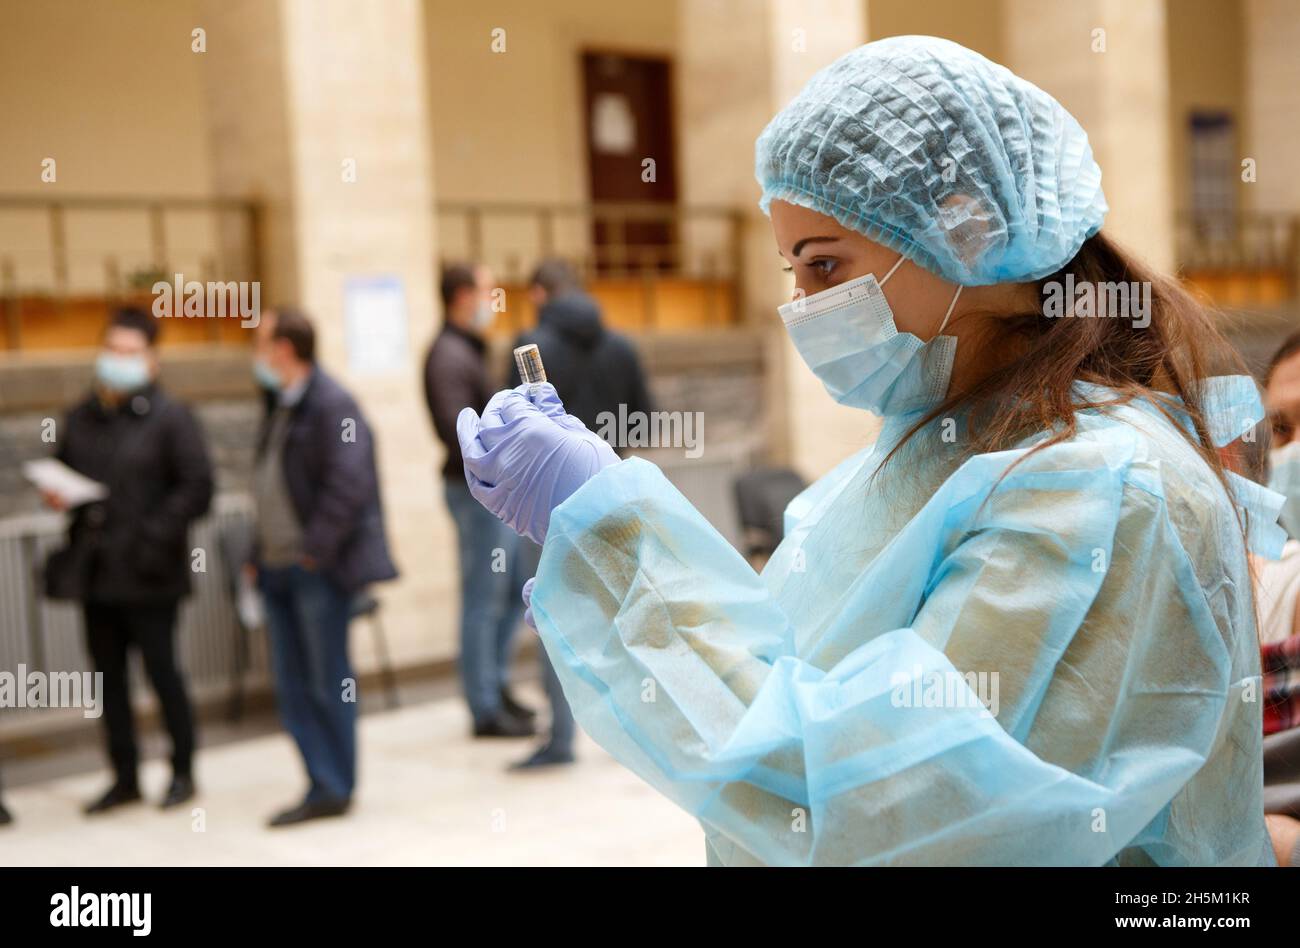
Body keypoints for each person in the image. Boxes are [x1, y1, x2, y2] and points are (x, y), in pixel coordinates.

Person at [457, 36, 1278, 865]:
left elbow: (857, 804)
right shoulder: (941, 450)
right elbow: (795, 669)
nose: (804, 307)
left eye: (824, 265)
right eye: (792, 273)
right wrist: (612, 586)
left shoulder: (1103, 489)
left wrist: (622, 550)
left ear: (967, 226)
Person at [45, 307, 212, 814]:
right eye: (112, 350)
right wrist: (58, 493)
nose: (118, 360)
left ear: (152, 360)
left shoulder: (172, 418)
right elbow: (66, 472)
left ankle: (182, 770)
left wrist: (151, 535)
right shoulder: (81, 416)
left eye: (130, 352)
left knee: (164, 674)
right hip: (96, 573)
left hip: (150, 573)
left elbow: (197, 489)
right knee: (108, 681)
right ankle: (125, 776)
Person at [501, 259, 654, 769]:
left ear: (541, 293)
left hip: (547, 507)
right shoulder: (621, 345)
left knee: (553, 618)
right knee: (622, 609)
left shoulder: (529, 346)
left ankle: (561, 738)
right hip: (611, 492)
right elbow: (644, 421)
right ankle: (636, 726)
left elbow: (510, 430)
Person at [251, 307, 398, 826]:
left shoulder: (333, 404)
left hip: (314, 570)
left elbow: (348, 485)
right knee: (292, 686)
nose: (257, 353)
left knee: (325, 679)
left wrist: (314, 550)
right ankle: (320, 780)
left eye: (262, 342)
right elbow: (268, 485)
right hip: (276, 569)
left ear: (285, 349)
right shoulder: (281, 404)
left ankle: (334, 786)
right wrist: (255, 554)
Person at [424, 264, 535, 738]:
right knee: (483, 598)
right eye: (488, 292)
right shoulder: (447, 355)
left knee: (510, 593)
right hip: (475, 496)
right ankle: (483, 706)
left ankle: (498, 684)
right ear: (463, 295)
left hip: (493, 493)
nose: (494, 301)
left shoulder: (466, 347)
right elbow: (458, 431)